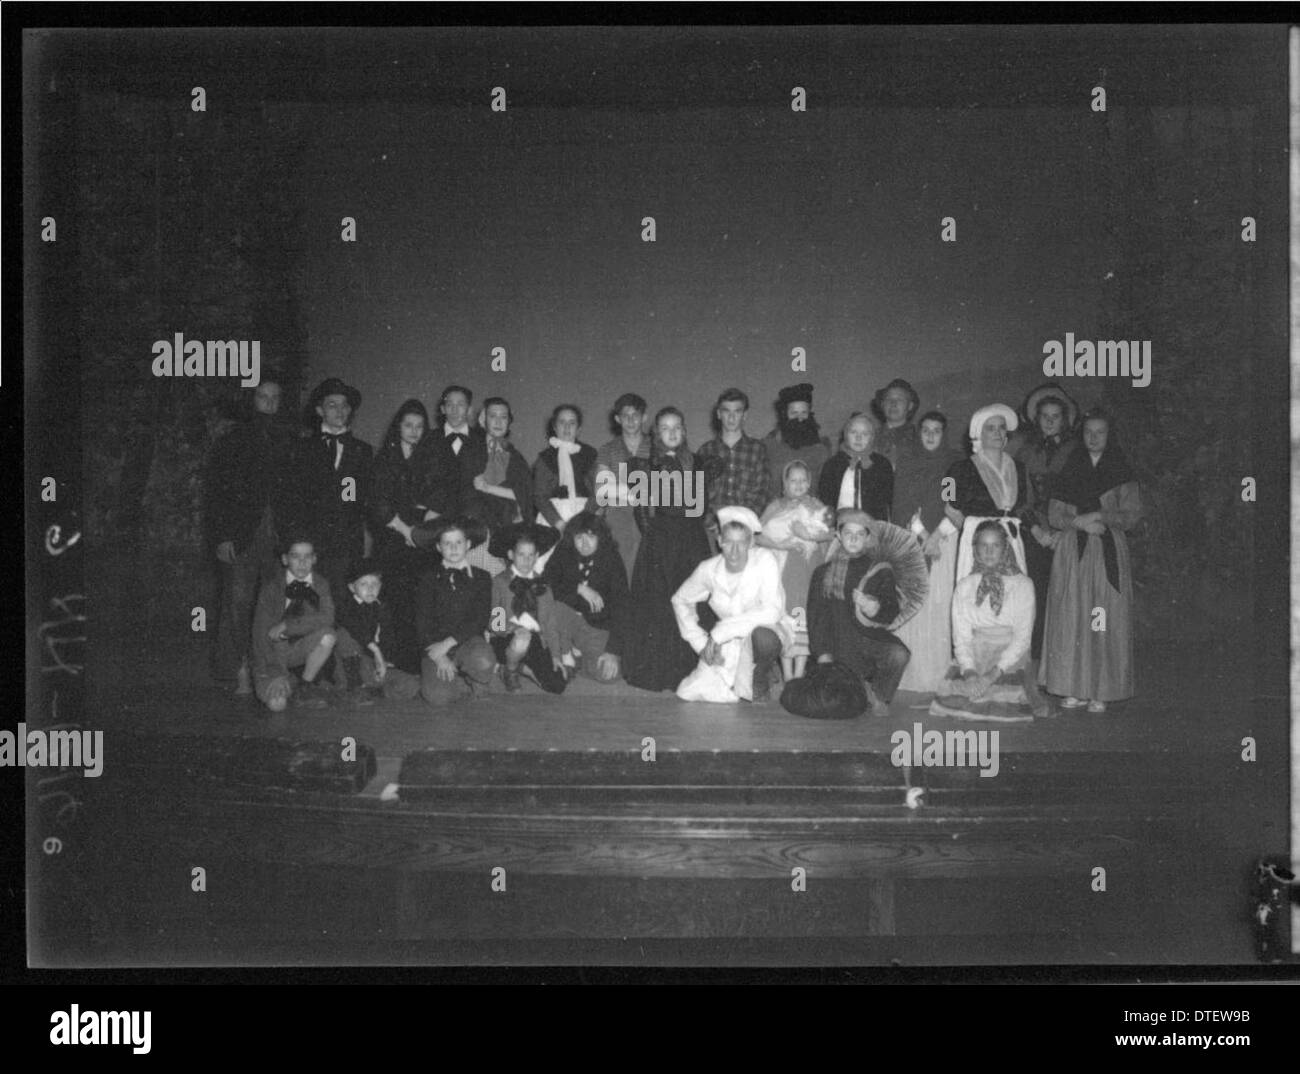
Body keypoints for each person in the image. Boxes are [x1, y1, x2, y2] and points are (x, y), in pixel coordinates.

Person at [1039, 409, 1142, 713]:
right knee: (1074, 616)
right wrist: (1080, 523)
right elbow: (1055, 514)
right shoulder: (1071, 469)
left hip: (1107, 551)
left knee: (1101, 618)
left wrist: (1101, 517)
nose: (1094, 438)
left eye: (1100, 432)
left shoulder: (1121, 471)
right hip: (1074, 552)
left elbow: (1132, 515)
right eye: (1088, 432)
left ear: (1110, 437)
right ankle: (1074, 687)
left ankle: (1101, 688)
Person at [615, 406, 713, 692]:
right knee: (660, 606)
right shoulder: (644, 465)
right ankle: (661, 669)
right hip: (660, 542)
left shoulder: (696, 462)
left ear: (684, 431)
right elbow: (643, 512)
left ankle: (692, 666)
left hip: (691, 541)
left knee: (693, 601)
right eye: (665, 428)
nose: (672, 432)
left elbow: (701, 507)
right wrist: (658, 543)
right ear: (656, 433)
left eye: (677, 427)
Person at [206, 375, 293, 695]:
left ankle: (270, 669)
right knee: (236, 603)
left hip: (278, 538)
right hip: (242, 536)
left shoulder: (288, 439)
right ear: (251, 400)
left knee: (275, 605)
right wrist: (222, 537)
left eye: (275, 397)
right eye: (262, 397)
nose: (269, 403)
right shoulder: (232, 440)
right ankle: (233, 669)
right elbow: (217, 493)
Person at [931, 520, 1048, 720]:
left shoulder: (1023, 585)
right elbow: (961, 637)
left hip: (1009, 659)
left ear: (1005, 548)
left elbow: (1022, 639)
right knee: (962, 698)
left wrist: (991, 676)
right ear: (975, 549)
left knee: (1007, 700)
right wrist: (970, 673)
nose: (989, 551)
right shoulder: (965, 586)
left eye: (995, 545)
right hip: (976, 657)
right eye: (983, 545)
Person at [672, 506, 786, 703]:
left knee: (764, 638)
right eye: (728, 542)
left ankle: (761, 675)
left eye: (741, 543)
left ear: (751, 542)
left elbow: (772, 611)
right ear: (719, 541)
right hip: (726, 645)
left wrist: (720, 632)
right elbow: (680, 600)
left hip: (766, 630)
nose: (734, 551)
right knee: (690, 691)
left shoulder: (765, 561)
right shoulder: (708, 569)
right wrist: (700, 643)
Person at [806, 509, 911, 717]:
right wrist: (823, 654)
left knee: (899, 655)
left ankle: (879, 696)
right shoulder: (822, 573)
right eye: (848, 533)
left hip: (869, 639)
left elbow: (891, 610)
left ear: (868, 538)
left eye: (860, 534)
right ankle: (860, 690)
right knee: (842, 703)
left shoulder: (880, 570)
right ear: (838, 535)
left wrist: (875, 608)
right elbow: (816, 619)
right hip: (837, 644)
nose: (853, 539)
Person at [282, 377, 374, 602]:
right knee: (309, 602)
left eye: (344, 405)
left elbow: (354, 496)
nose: (339, 411)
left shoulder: (361, 450)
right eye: (332, 405)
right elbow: (293, 499)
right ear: (319, 410)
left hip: (346, 542)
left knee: (342, 601)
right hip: (311, 542)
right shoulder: (302, 450)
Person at [892, 410, 964, 693]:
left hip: (944, 542)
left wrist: (936, 535)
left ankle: (936, 675)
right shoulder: (909, 462)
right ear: (918, 433)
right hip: (914, 540)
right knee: (913, 604)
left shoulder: (953, 463)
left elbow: (952, 503)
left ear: (944, 434)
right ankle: (910, 675)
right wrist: (922, 533)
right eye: (926, 430)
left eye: (937, 430)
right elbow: (903, 504)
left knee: (938, 604)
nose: (931, 435)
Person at [369, 398, 438, 671]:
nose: (414, 431)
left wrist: (424, 517)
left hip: (422, 540)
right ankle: (398, 662)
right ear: (398, 426)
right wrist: (405, 527)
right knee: (397, 601)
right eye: (408, 425)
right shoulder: (385, 458)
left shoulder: (429, 457)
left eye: (419, 426)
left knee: (422, 600)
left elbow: (433, 498)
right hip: (393, 538)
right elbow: (379, 503)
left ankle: (421, 661)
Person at [1015, 384, 1081, 663]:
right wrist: (1039, 531)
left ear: (1065, 418)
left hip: (1072, 532)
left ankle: (1069, 662)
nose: (1051, 421)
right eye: (1045, 416)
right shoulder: (1026, 453)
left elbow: (1083, 495)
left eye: (1056, 416)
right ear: (1037, 419)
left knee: (1071, 597)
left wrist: (1066, 530)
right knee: (1037, 598)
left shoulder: (1078, 451)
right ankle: (1039, 662)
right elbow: (1020, 499)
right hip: (1036, 533)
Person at [756, 460, 834, 681]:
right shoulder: (776, 506)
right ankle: (787, 672)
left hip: (810, 569)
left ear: (809, 482)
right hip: (785, 568)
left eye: (803, 480)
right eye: (793, 480)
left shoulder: (817, 505)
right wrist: (780, 544)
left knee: (805, 616)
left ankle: (799, 673)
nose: (798, 485)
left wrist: (809, 536)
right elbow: (757, 534)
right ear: (785, 483)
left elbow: (831, 532)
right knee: (787, 613)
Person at [415, 517, 496, 707]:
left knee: (483, 660)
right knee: (438, 697)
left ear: (468, 544)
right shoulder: (427, 578)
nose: (453, 548)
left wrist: (449, 643)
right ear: (438, 547)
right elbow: (421, 621)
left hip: (467, 641)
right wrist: (439, 655)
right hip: (435, 646)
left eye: (458, 542)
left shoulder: (482, 577)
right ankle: (450, 678)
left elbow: (480, 618)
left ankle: (474, 677)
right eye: (447, 543)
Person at [250, 536, 337, 712]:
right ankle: (285, 681)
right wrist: (275, 674)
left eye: (307, 556)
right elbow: (260, 634)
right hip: (272, 655)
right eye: (295, 556)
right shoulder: (271, 587)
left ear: (314, 559)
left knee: (328, 635)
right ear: (284, 559)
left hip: (299, 649)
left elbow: (327, 617)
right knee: (277, 705)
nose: (302, 562)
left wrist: (289, 626)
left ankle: (304, 685)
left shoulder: (320, 584)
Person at [945, 403, 1029, 584]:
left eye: (1002, 428)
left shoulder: (1019, 468)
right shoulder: (958, 469)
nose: (997, 433)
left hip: (1010, 541)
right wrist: (972, 534)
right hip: (979, 543)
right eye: (990, 428)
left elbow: (1023, 506)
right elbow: (949, 506)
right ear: (979, 434)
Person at [542, 511, 628, 683]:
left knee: (609, 676)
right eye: (579, 537)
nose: (584, 543)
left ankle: (581, 661)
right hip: (565, 622)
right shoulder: (564, 551)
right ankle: (567, 652)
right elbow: (545, 582)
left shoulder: (611, 558)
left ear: (600, 538)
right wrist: (579, 588)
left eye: (590, 537)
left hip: (596, 627)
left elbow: (622, 606)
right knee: (551, 603)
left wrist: (612, 651)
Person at [487, 522, 567, 694]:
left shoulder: (543, 586)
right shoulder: (500, 582)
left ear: (537, 555)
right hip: (506, 638)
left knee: (557, 685)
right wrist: (513, 629)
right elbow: (495, 622)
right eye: (521, 554)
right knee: (521, 640)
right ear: (511, 555)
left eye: (531, 555)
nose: (526, 560)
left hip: (536, 641)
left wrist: (555, 656)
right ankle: (509, 670)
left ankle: (520, 667)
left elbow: (550, 625)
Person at [331, 559, 421, 702]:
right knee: (344, 634)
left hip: (374, 663)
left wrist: (386, 660)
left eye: (374, 584)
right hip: (353, 662)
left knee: (412, 685)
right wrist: (376, 652)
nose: (370, 589)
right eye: (364, 584)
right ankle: (354, 688)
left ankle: (374, 691)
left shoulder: (381, 607)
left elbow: (388, 637)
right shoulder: (346, 607)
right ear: (352, 587)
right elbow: (357, 630)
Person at [697, 388, 770, 547]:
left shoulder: (758, 450)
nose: (731, 417)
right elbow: (697, 493)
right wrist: (712, 522)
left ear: (745, 415)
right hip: (711, 533)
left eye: (737, 411)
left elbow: (762, 493)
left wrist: (741, 522)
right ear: (718, 414)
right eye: (726, 411)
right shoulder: (705, 451)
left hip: (745, 531)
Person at [594, 392, 651, 579]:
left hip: (650, 514)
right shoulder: (607, 449)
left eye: (635, 415)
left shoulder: (656, 447)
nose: (631, 420)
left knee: (649, 569)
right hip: (619, 515)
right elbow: (602, 491)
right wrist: (638, 492)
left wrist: (618, 489)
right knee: (622, 569)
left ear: (644, 417)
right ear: (617, 419)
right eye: (625, 415)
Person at [464, 396, 533, 531]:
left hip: (509, 522)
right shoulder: (470, 451)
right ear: (483, 420)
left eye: (503, 417)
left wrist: (487, 488)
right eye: (492, 416)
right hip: (478, 525)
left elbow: (525, 494)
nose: (498, 422)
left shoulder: (515, 457)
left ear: (509, 422)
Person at [761, 383, 833, 500]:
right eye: (794, 413)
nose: (800, 418)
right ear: (785, 415)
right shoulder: (768, 446)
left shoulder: (821, 450)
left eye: (804, 413)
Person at [817, 411, 894, 521]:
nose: (858, 438)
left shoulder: (882, 465)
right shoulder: (832, 464)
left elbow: (887, 502)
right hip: (840, 524)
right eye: (853, 432)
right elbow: (825, 500)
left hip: (872, 525)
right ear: (845, 434)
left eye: (864, 434)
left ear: (872, 436)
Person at [533, 403, 598, 530]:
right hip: (553, 518)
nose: (567, 427)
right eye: (562, 422)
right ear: (555, 427)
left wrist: (584, 518)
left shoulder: (590, 454)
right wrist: (559, 524)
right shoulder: (545, 458)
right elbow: (539, 496)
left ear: (579, 429)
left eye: (572, 423)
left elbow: (599, 492)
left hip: (586, 514)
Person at [426, 385, 486, 519]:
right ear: (442, 409)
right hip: (436, 516)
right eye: (449, 404)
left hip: (473, 516)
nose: (454, 410)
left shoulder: (482, 441)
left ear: (469, 409)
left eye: (460, 404)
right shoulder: (428, 439)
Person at [871, 378, 922, 469]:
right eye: (888, 399)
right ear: (882, 405)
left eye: (900, 399)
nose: (893, 403)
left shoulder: (921, 439)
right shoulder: (869, 438)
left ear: (910, 406)